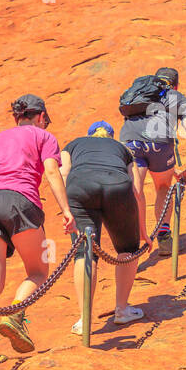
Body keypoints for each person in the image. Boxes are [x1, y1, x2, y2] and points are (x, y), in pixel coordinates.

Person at [0, 94, 75, 369]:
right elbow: (52, 172)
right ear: (40, 117)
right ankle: (14, 317)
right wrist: (66, 211)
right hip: (21, 199)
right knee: (38, 271)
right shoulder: (43, 137)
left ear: (17, 117)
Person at [60, 121, 151, 337]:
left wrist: (67, 209)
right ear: (110, 137)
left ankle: (85, 319)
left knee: (84, 251)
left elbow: (64, 173)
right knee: (128, 248)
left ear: (89, 135)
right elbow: (137, 190)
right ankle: (122, 309)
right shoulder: (123, 149)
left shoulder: (73, 145)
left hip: (80, 188)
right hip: (117, 187)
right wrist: (143, 231)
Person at [119, 66, 186, 255]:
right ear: (176, 85)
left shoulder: (139, 93)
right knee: (163, 186)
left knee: (135, 192)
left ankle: (134, 244)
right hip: (160, 143)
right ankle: (164, 239)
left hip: (130, 140)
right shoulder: (177, 97)